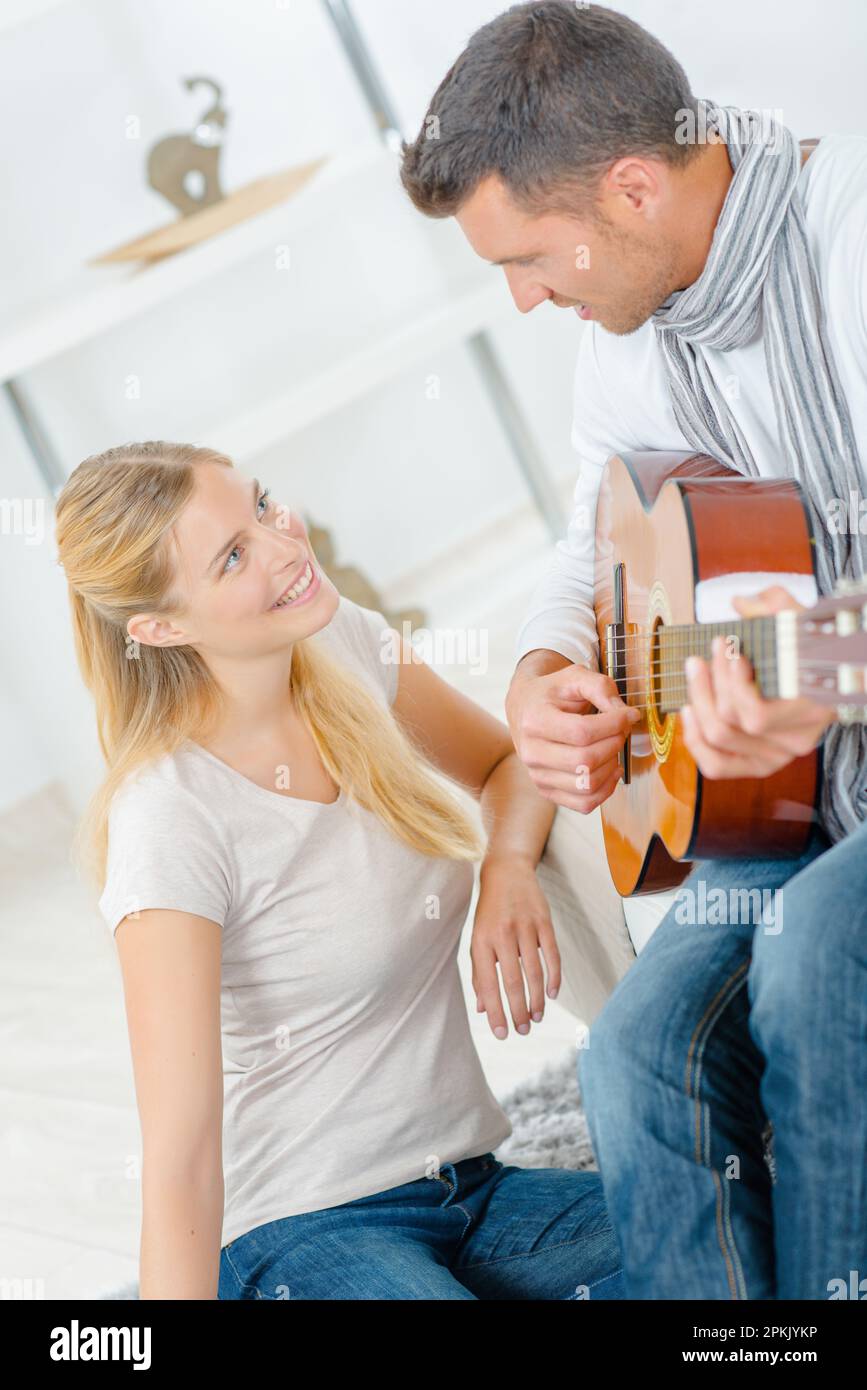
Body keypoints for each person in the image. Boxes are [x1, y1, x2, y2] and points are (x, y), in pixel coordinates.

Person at [399, 1, 867, 1298]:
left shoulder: (848, 246)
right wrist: (540, 676)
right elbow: (588, 529)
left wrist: (816, 676)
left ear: (631, 185)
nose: (523, 296)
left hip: (829, 832)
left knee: (818, 945)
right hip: (795, 807)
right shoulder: (630, 325)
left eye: (533, 256)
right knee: (633, 1050)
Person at [55, 439, 625, 1300]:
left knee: (732, 1236)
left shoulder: (344, 645)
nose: (286, 545)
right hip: (300, 1228)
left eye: (260, 505)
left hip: (470, 1188)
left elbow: (508, 765)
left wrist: (507, 864)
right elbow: (180, 1154)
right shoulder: (168, 819)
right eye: (234, 555)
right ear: (161, 627)